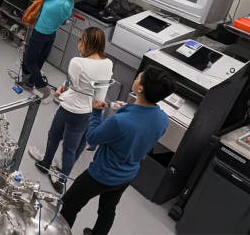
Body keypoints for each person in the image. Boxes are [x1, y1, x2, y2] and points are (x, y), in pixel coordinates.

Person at [59, 66, 174, 235]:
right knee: (107, 210)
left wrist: (97, 113)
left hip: (102, 174)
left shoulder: (120, 122)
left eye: (138, 77)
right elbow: (141, 127)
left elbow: (92, 137)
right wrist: (127, 108)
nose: (136, 78)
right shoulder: (162, 119)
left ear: (140, 88)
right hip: (127, 175)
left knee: (69, 203)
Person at [27, 27, 113, 193]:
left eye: (81, 40)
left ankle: (46, 165)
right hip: (88, 113)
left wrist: (61, 91)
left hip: (69, 109)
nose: (79, 44)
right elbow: (98, 95)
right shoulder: (108, 63)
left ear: (87, 43)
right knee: (72, 149)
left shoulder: (77, 62)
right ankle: (62, 179)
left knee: (54, 135)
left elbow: (71, 83)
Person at [21, 0, 90, 100]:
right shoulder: (71, 0)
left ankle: (41, 86)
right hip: (51, 34)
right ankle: (29, 82)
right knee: (39, 60)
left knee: (29, 61)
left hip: (39, 33)